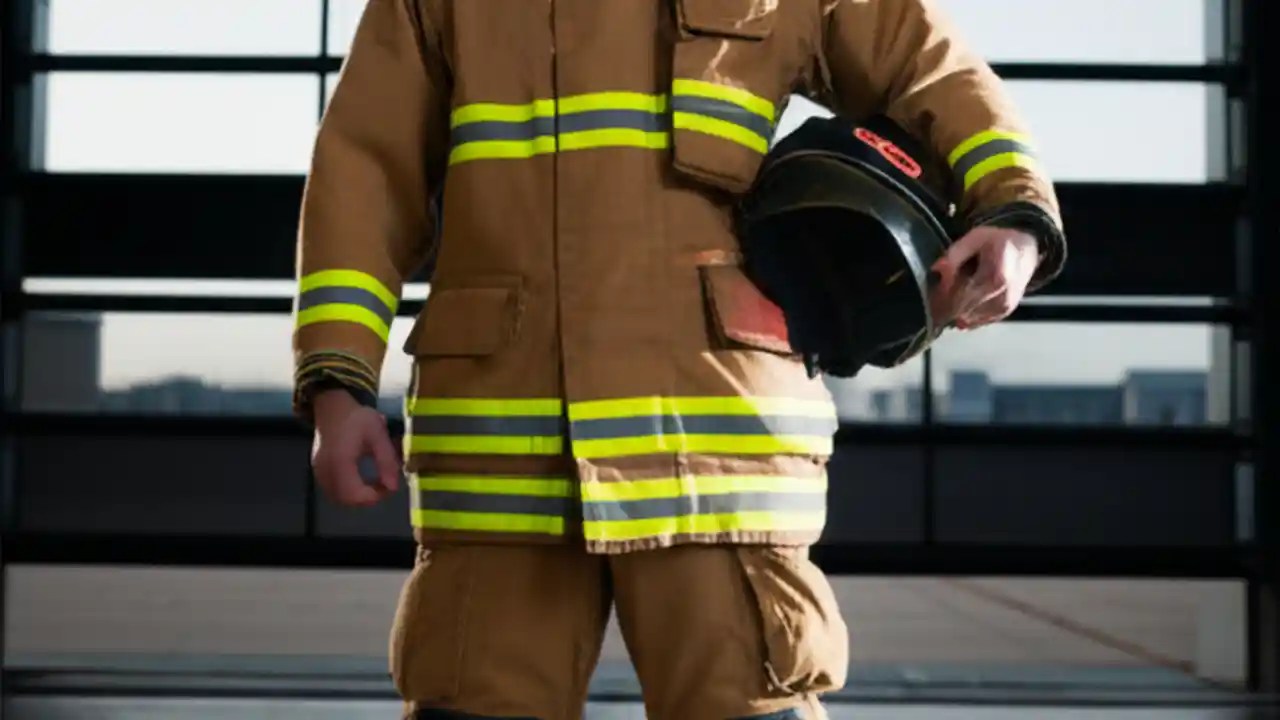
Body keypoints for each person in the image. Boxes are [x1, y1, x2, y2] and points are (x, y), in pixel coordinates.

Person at [290, 0, 1067, 718]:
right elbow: (364, 168)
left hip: (716, 444)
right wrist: (338, 377)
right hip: (505, 453)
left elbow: (929, 67)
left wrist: (1014, 208)